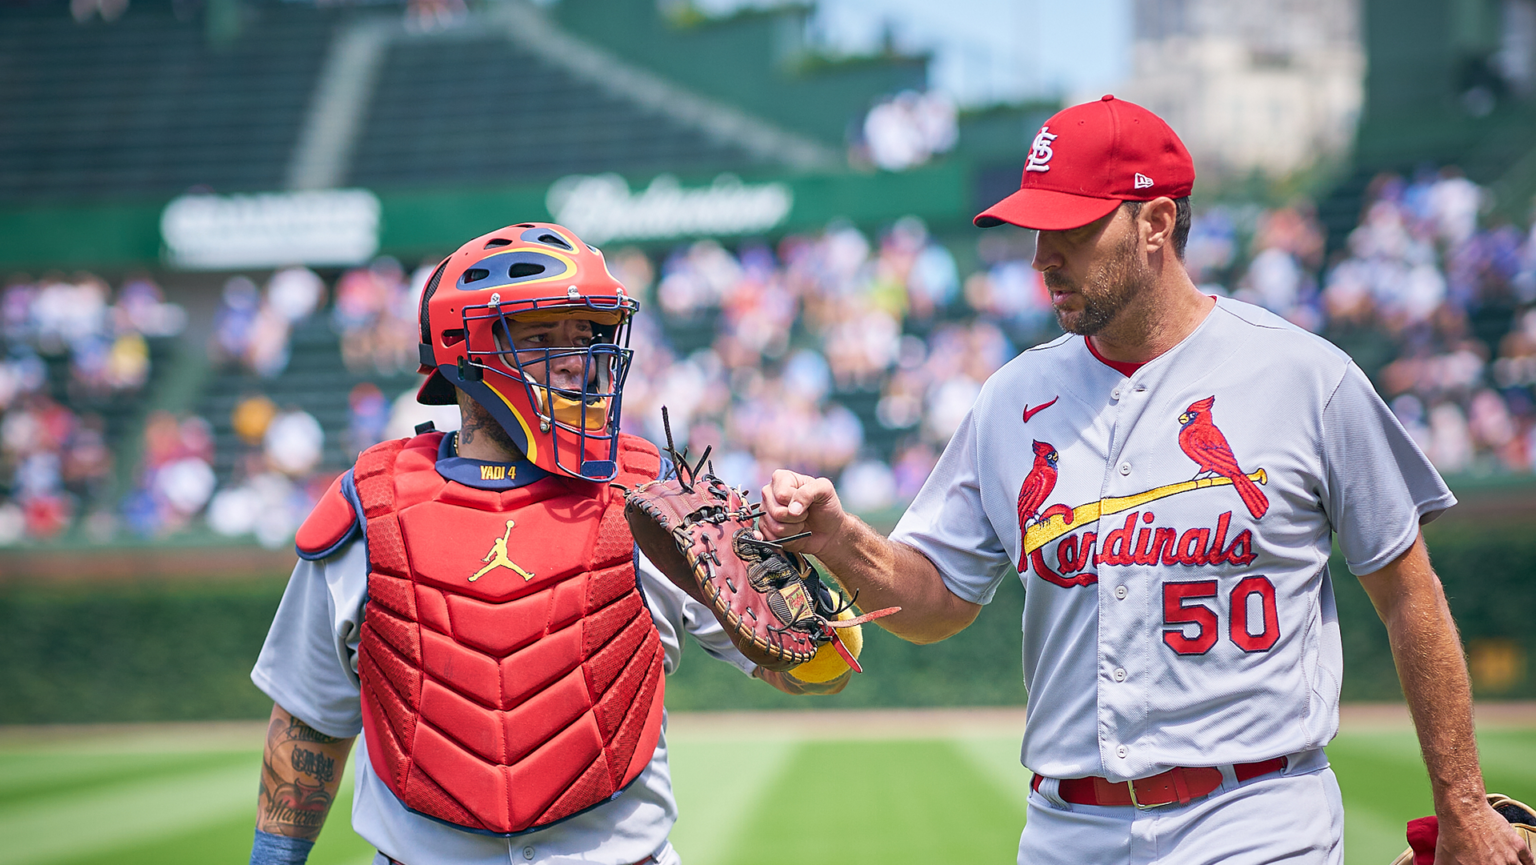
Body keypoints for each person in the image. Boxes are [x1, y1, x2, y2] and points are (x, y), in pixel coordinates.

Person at [759, 96, 1533, 865]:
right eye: (1036, 229)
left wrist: (1460, 803)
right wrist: (836, 536)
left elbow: (1408, 593)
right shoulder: (1009, 401)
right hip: (1066, 829)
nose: (1041, 256)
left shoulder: (1304, 377)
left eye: (1070, 228)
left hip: (1256, 816)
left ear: (1155, 223)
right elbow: (937, 601)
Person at [248, 223, 847, 865]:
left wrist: (807, 599)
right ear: (467, 348)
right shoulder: (370, 509)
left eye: (589, 334)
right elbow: (310, 720)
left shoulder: (659, 502)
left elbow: (809, 672)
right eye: (541, 335)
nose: (578, 357)